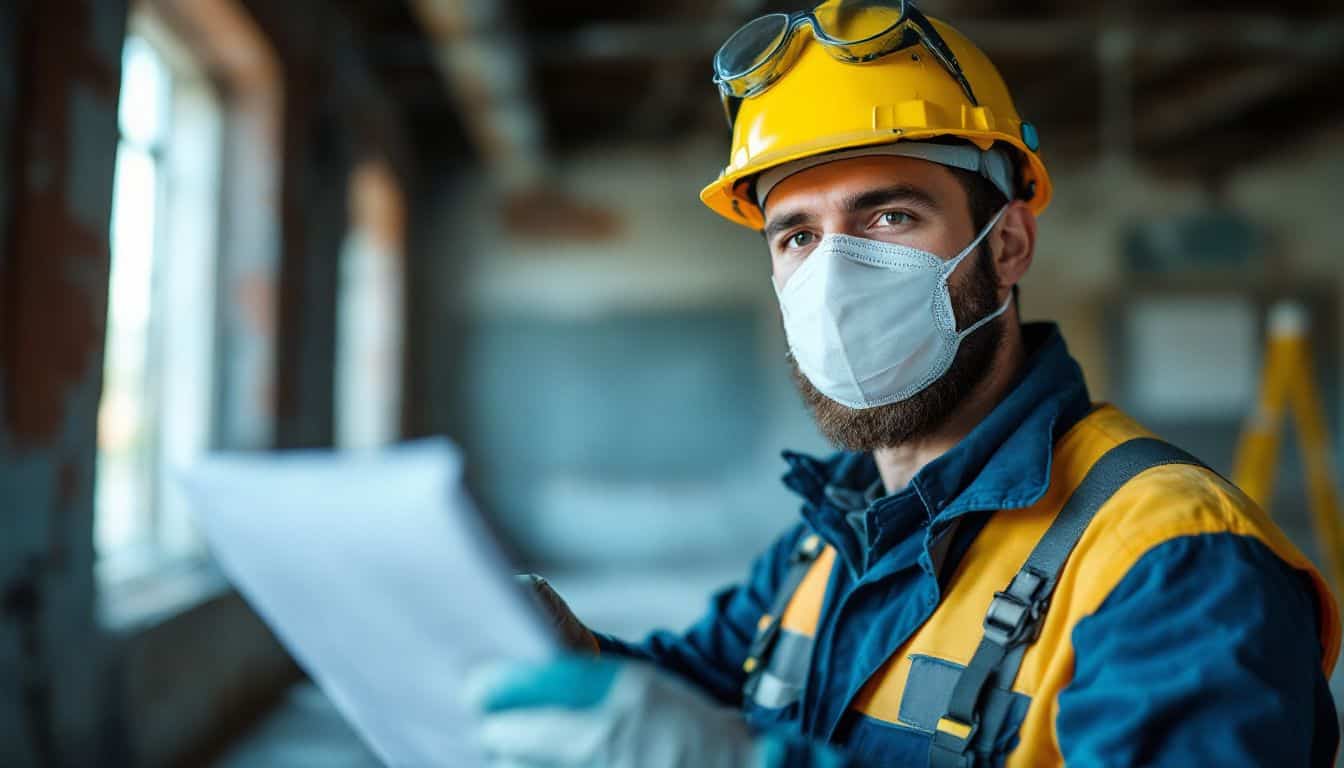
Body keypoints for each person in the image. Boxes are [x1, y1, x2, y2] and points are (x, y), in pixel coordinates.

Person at [464, 2, 1341, 766]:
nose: (836, 277)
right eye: (797, 236)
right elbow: (693, 691)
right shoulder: (830, 541)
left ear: (1006, 246)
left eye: (889, 216)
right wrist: (564, 652)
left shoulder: (1172, 561)